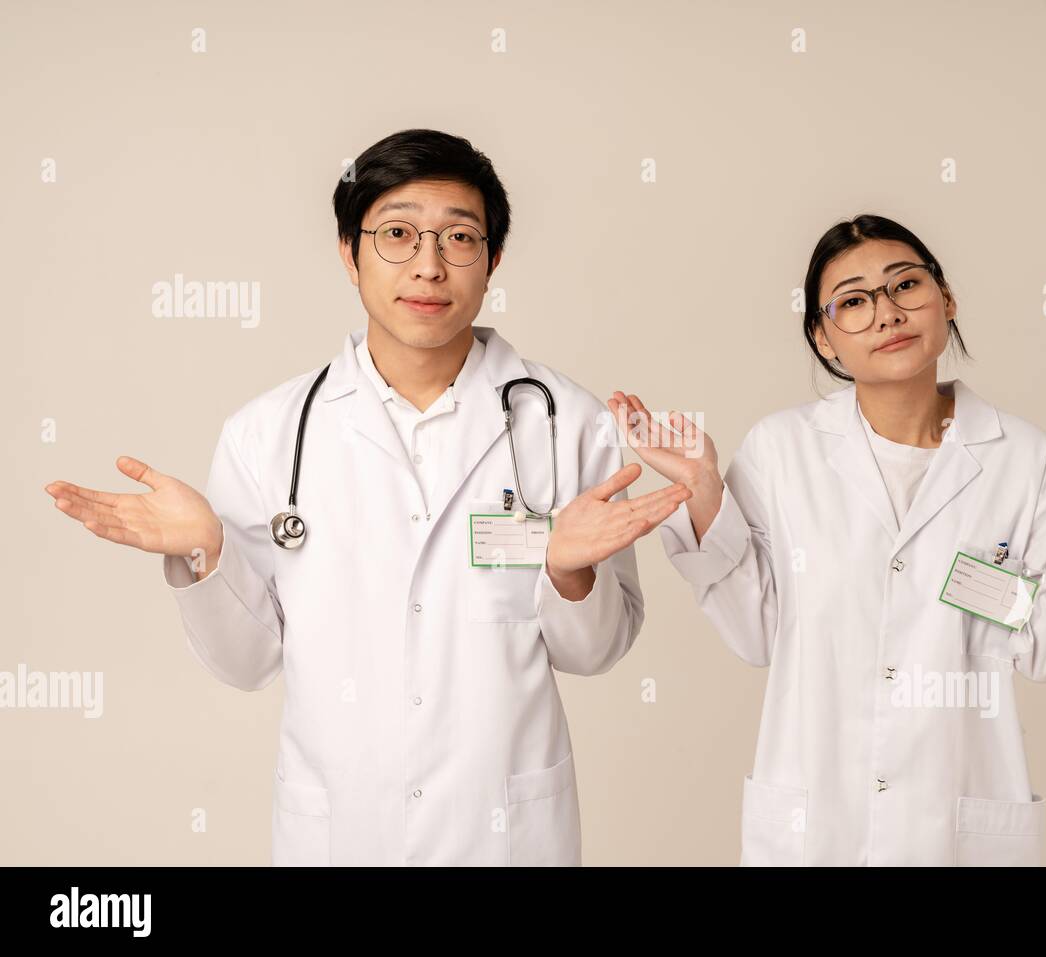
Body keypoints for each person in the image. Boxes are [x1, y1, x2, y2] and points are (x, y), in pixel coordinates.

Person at [44, 129, 690, 866]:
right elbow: (247, 662)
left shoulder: (565, 422)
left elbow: (598, 649)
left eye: (459, 237)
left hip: (505, 835)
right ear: (350, 253)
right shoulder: (270, 432)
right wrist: (206, 550)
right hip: (338, 834)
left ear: (494, 261)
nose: (429, 264)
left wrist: (567, 572)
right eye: (398, 234)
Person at [606, 214, 1046, 866]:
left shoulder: (1021, 458)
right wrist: (704, 489)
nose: (886, 313)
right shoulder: (782, 451)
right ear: (824, 338)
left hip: (956, 822)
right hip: (816, 827)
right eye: (853, 301)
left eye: (905, 285)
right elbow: (755, 633)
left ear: (946, 301)